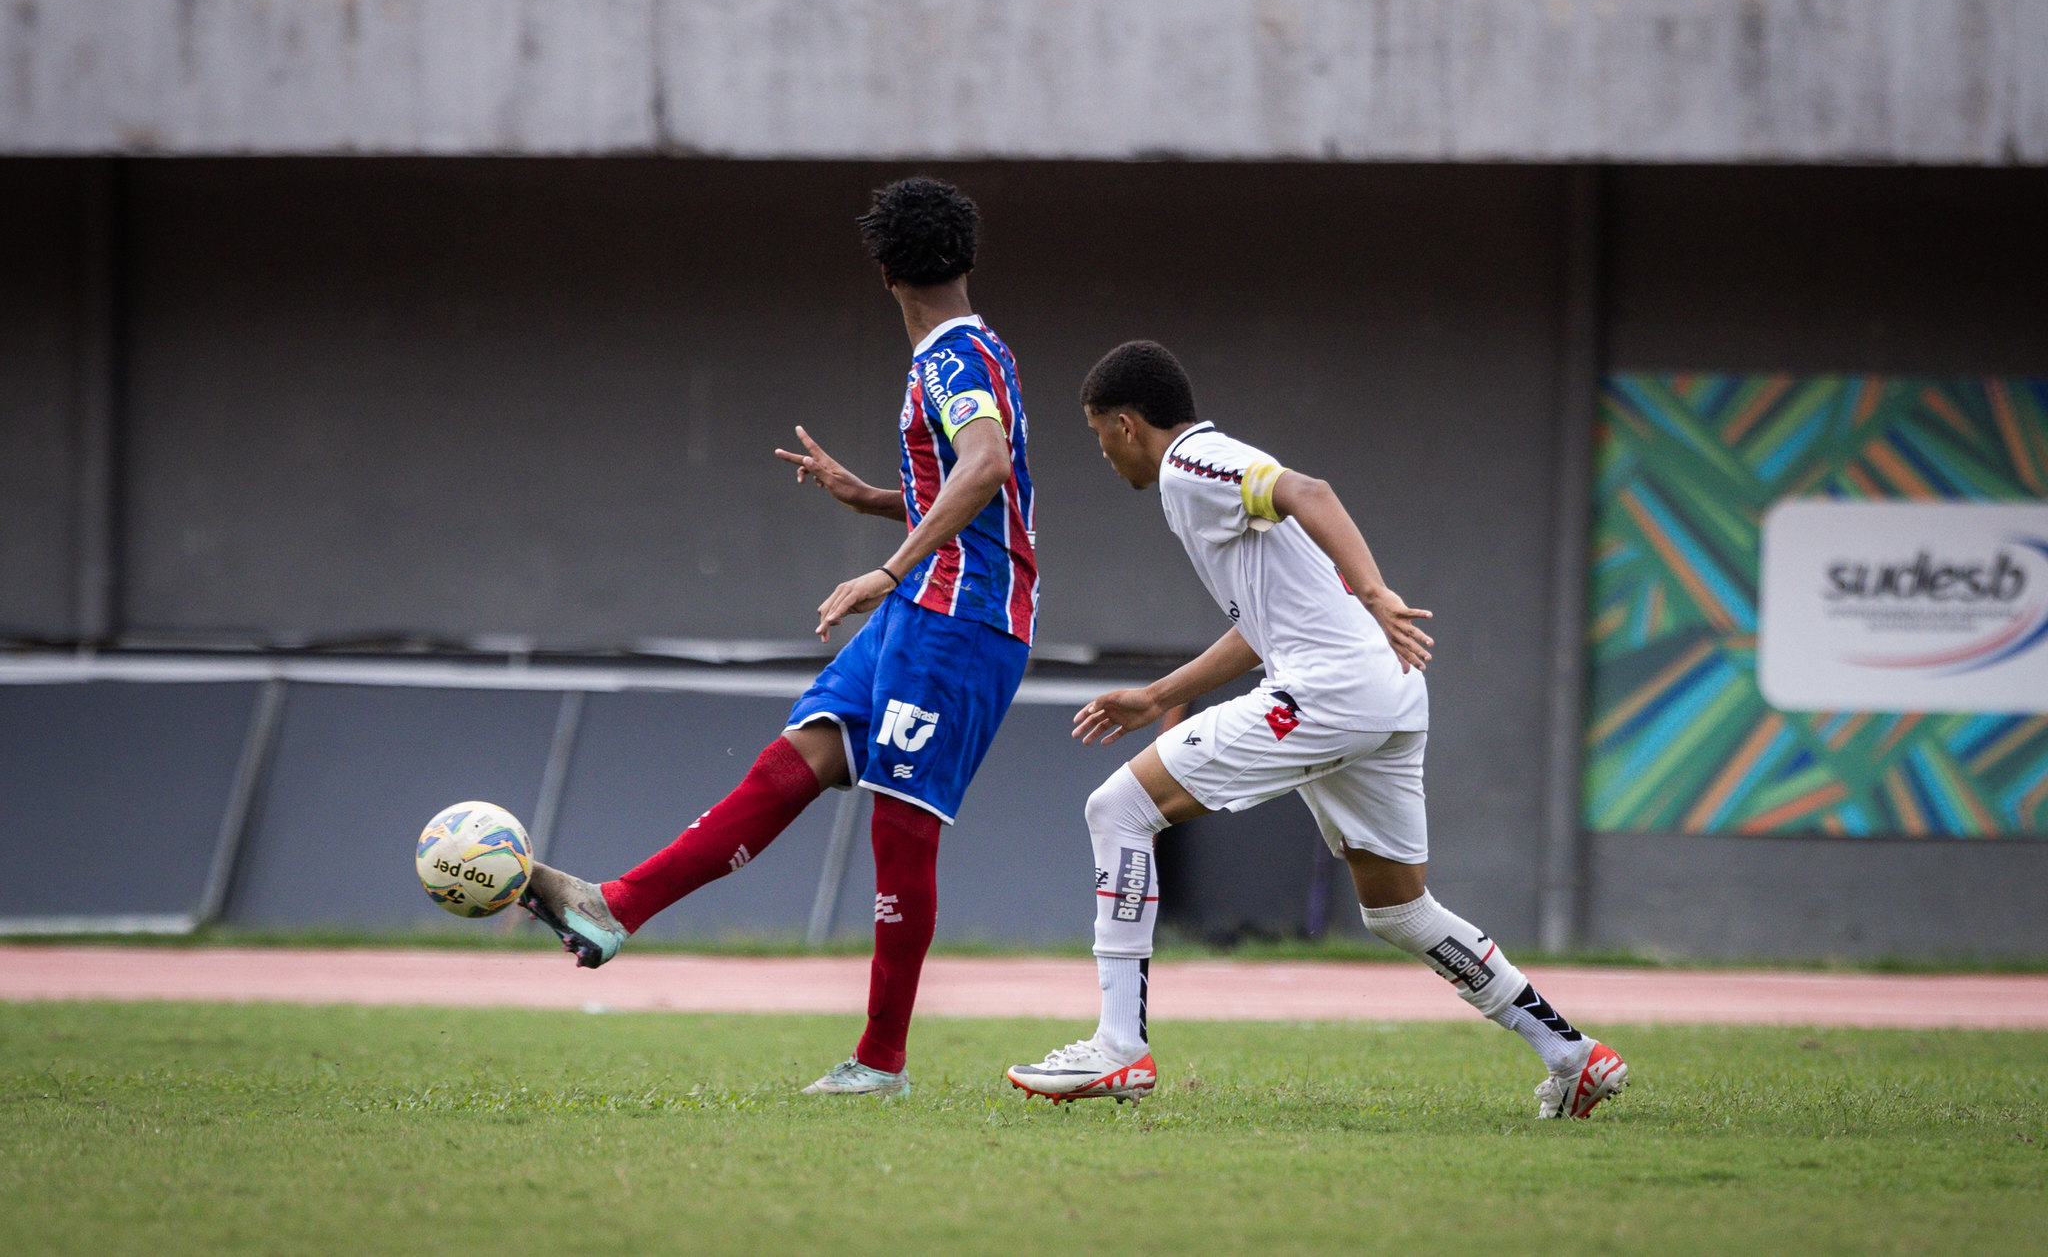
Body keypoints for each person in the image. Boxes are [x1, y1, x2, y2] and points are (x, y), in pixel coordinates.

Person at [1004, 340, 1626, 1120]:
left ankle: (1119, 1048)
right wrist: (1160, 693)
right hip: (1386, 692)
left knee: (1117, 809)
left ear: (1127, 424)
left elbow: (1312, 490)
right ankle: (1572, 1055)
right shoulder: (1202, 483)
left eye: (1097, 435)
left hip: (1329, 691)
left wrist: (1376, 591)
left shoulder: (1192, 465)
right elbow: (1263, 627)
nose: (1101, 453)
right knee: (1398, 909)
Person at [521, 176, 1037, 1099]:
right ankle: (613, 908)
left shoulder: (951, 360)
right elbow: (971, 485)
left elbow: (987, 466)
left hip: (962, 621)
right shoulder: (971, 347)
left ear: (884, 271)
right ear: (965, 255)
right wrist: (871, 497)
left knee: (901, 828)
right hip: (923, 608)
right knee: (792, 761)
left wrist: (884, 567)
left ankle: (881, 1062)